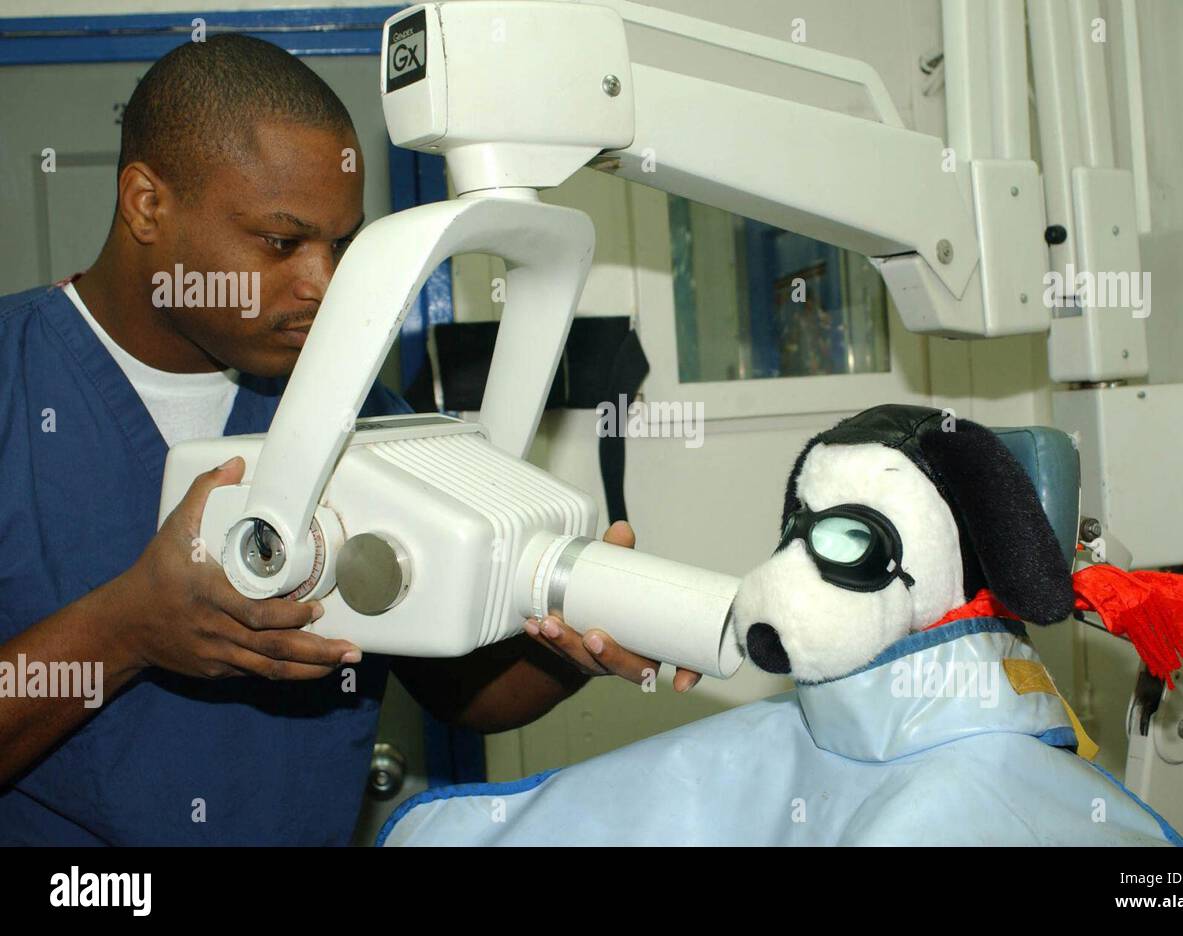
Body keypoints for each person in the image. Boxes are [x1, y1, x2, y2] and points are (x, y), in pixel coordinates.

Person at [0, 34, 698, 845]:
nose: (322, 286)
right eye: (281, 243)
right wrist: (127, 630)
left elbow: (460, 688)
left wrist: (569, 648)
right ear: (147, 204)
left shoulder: (365, 413)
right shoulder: (19, 391)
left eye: (341, 245)